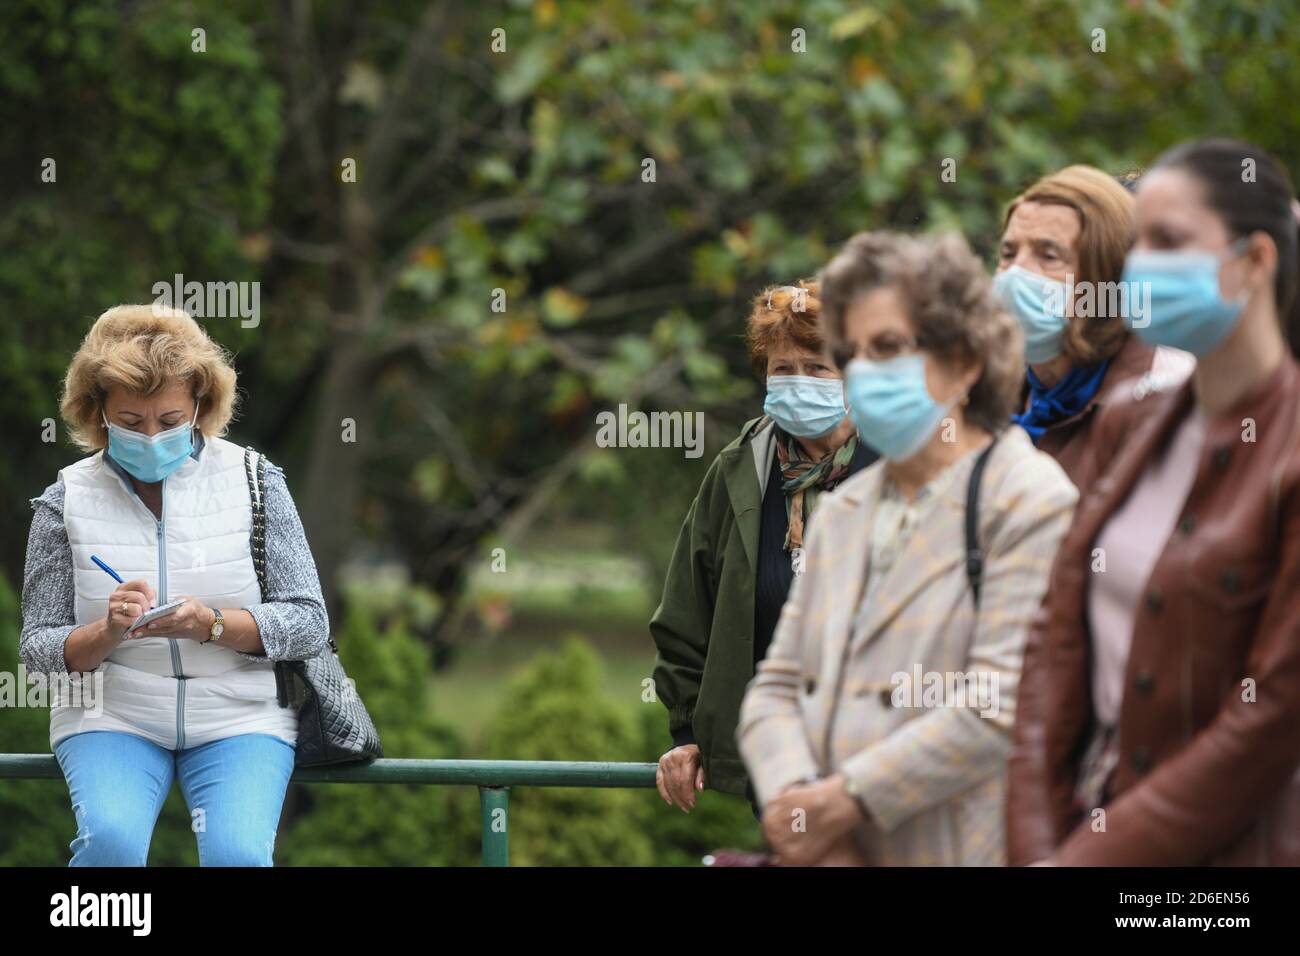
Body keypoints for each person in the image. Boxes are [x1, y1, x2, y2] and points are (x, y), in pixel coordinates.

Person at [737, 232, 1077, 865]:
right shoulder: (844, 513)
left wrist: (846, 802)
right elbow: (775, 686)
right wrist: (796, 802)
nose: (864, 371)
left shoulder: (1028, 500)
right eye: (852, 352)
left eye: (888, 347)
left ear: (965, 360)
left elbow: (998, 702)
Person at [1008, 138, 1300, 865]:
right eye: (1139, 247)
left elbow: (1272, 714)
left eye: (1170, 242)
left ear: (1256, 261)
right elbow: (1054, 647)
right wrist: (1036, 838)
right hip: (1079, 821)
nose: (1143, 271)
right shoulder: (1131, 420)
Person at [19, 304, 329, 866]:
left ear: (200, 408)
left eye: (169, 420)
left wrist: (210, 625)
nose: (152, 437)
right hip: (111, 714)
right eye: (132, 423)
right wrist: (106, 631)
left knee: (237, 855)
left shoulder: (257, 481)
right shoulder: (64, 499)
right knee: (109, 843)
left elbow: (309, 621)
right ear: (98, 412)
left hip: (240, 714)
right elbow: (38, 650)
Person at [650, 280, 878, 814]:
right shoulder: (742, 469)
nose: (798, 382)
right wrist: (685, 730)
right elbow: (687, 611)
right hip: (782, 763)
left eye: (818, 368)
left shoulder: (905, 461)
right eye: (783, 369)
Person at [993, 164, 1195, 489]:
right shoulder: (985, 394)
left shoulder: (1169, 396)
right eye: (1008, 252)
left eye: (1049, 255)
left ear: (1107, 279)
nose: (1016, 275)